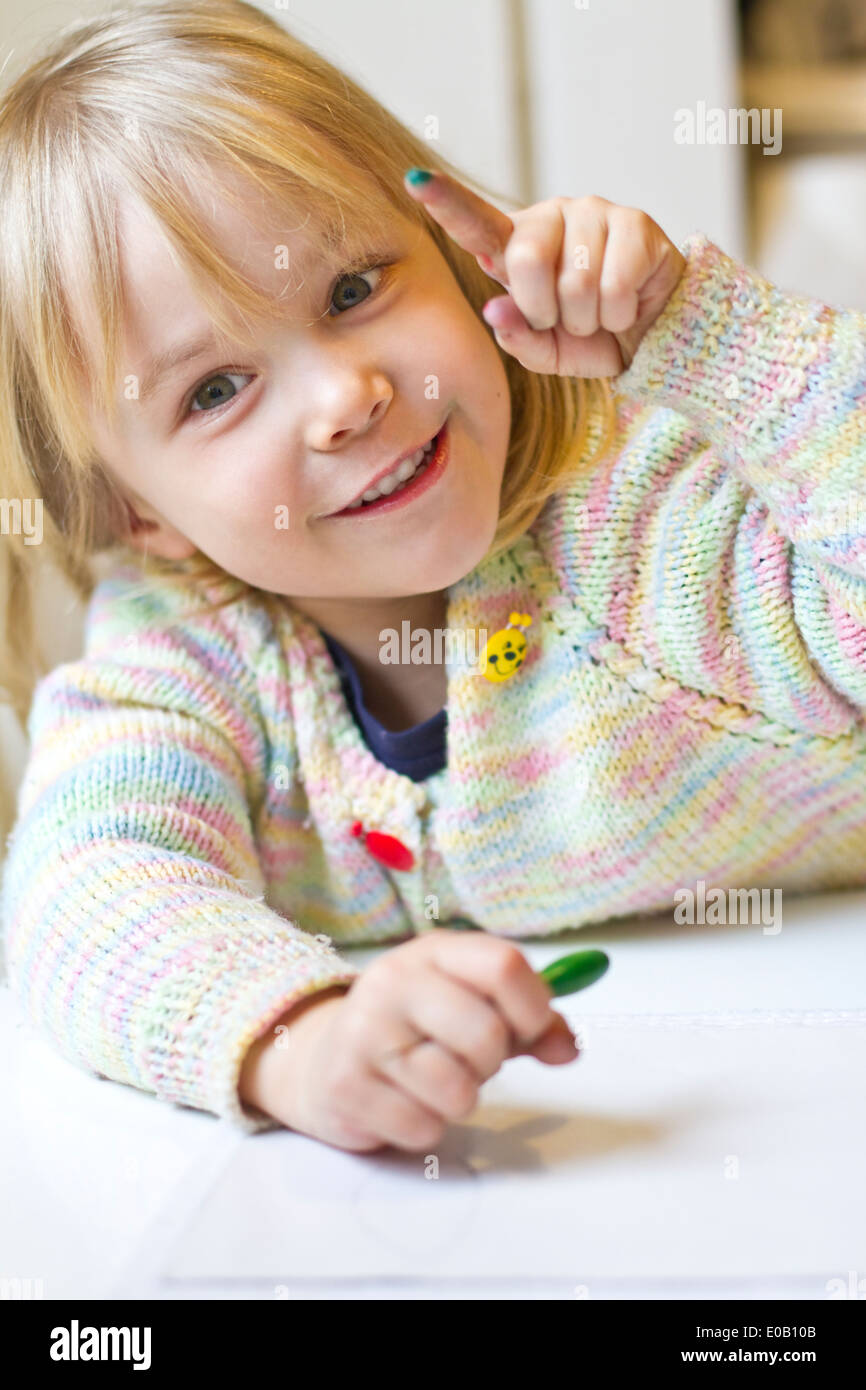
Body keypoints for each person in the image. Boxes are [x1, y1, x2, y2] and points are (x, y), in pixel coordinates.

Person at [2, 0, 865, 1154]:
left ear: (454, 261)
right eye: (213, 390)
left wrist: (706, 330)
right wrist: (299, 1044)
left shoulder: (642, 522)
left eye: (352, 288)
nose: (346, 395)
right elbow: (88, 891)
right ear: (134, 511)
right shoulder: (183, 661)